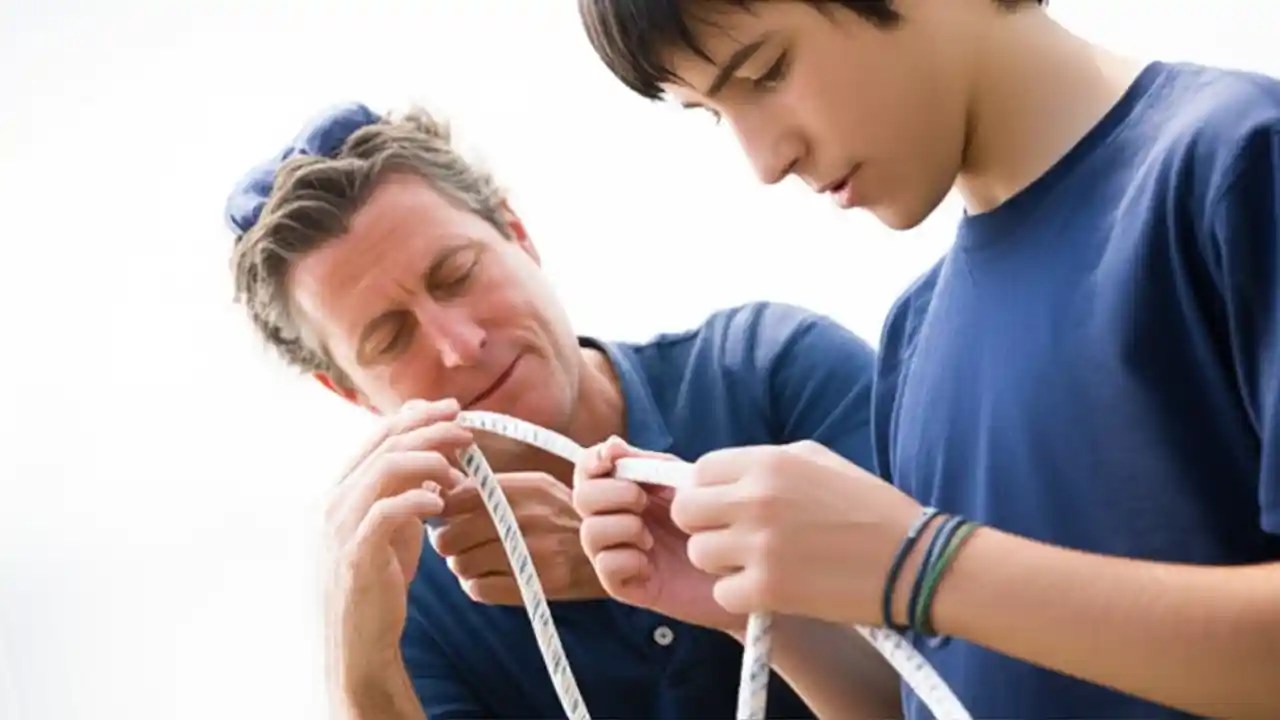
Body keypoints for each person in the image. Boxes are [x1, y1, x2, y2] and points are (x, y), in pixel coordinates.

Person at [571, 1, 1280, 718]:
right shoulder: (915, 337)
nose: (765, 161)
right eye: (712, 114)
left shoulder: (1236, 163)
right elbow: (934, 695)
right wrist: (760, 609)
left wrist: (923, 565)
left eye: (768, 72)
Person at [221, 101, 888, 719]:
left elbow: (941, 674)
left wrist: (694, 573)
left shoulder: (766, 374)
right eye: (391, 339)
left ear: (517, 234)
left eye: (457, 275)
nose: (460, 345)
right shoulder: (410, 602)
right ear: (351, 392)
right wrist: (360, 671)